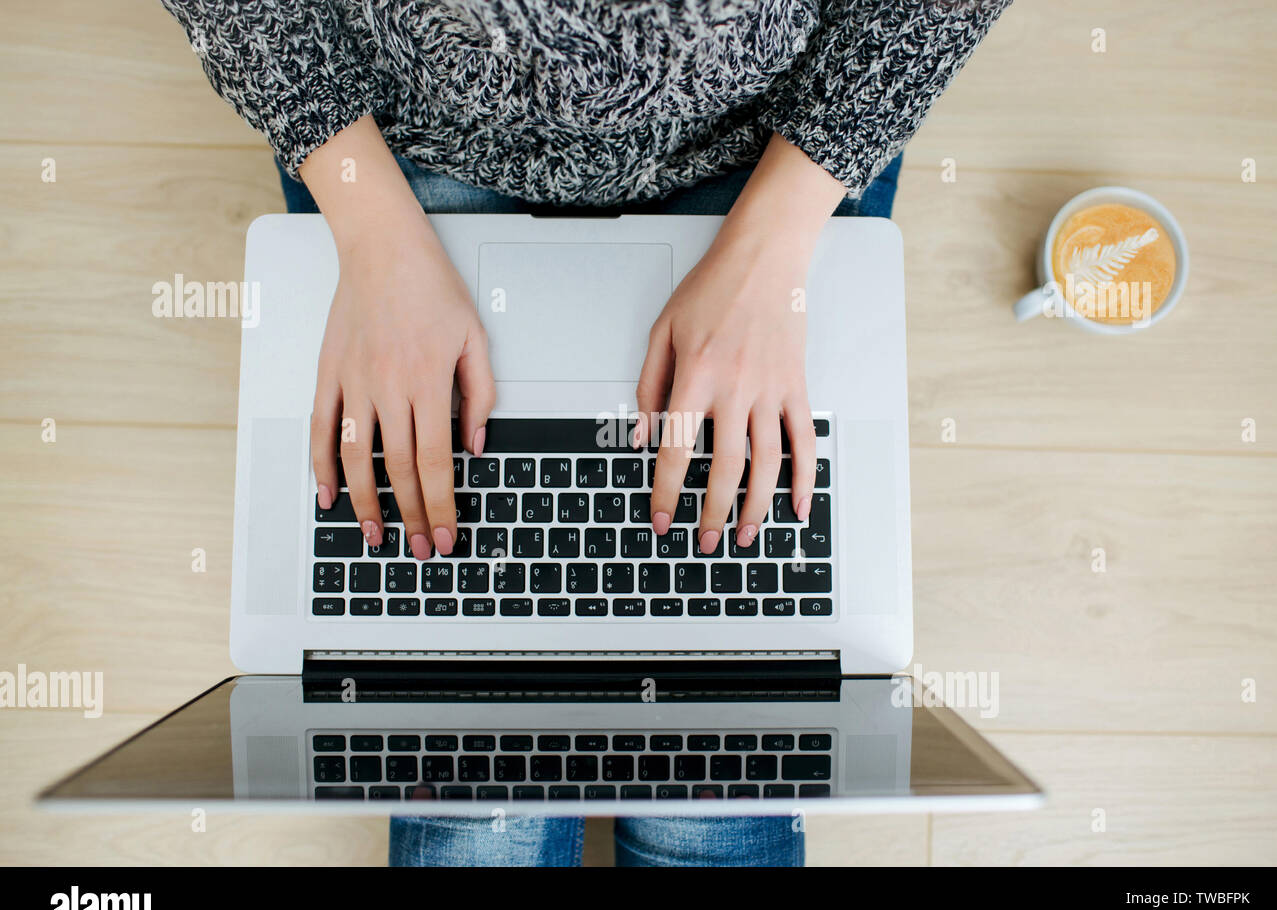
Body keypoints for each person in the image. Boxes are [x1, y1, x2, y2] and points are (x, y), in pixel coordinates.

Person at [163, 0, 1010, 866]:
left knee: (706, 794)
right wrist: (372, 227)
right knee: (484, 802)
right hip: (403, 135)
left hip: (776, 137)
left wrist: (775, 250)